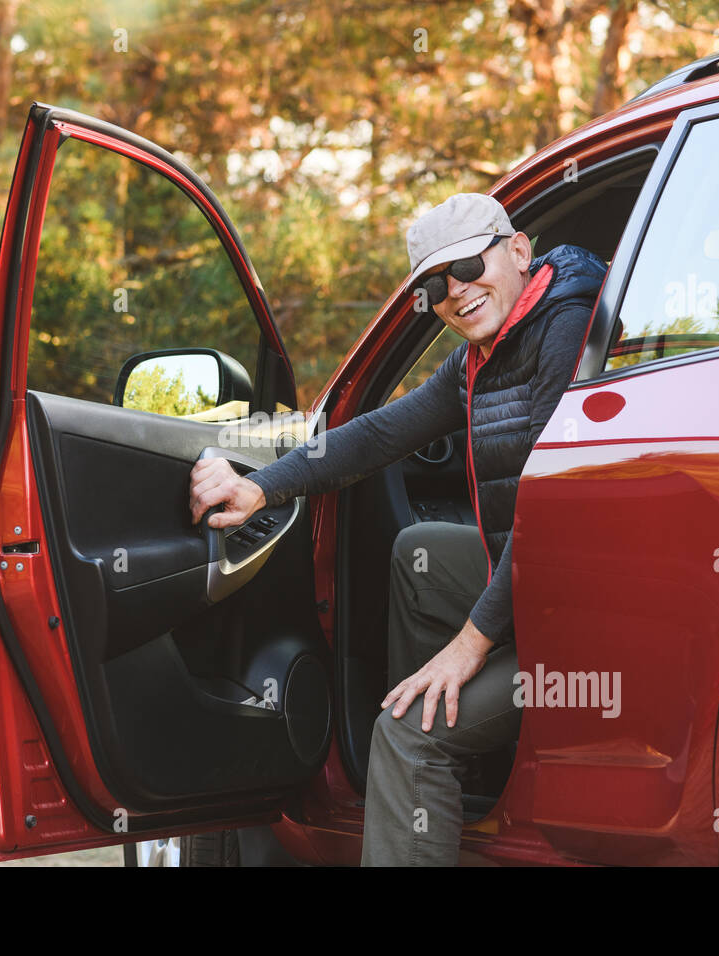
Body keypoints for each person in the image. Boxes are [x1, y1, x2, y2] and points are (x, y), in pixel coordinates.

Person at [188, 192, 607, 865]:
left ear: (519, 250)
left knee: (405, 734)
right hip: (542, 586)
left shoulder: (568, 330)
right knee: (423, 556)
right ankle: (452, 762)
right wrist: (260, 485)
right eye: (437, 285)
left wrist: (468, 648)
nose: (457, 292)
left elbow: (548, 522)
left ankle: (425, 750)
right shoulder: (484, 356)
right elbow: (378, 433)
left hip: (590, 612)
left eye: (469, 266)